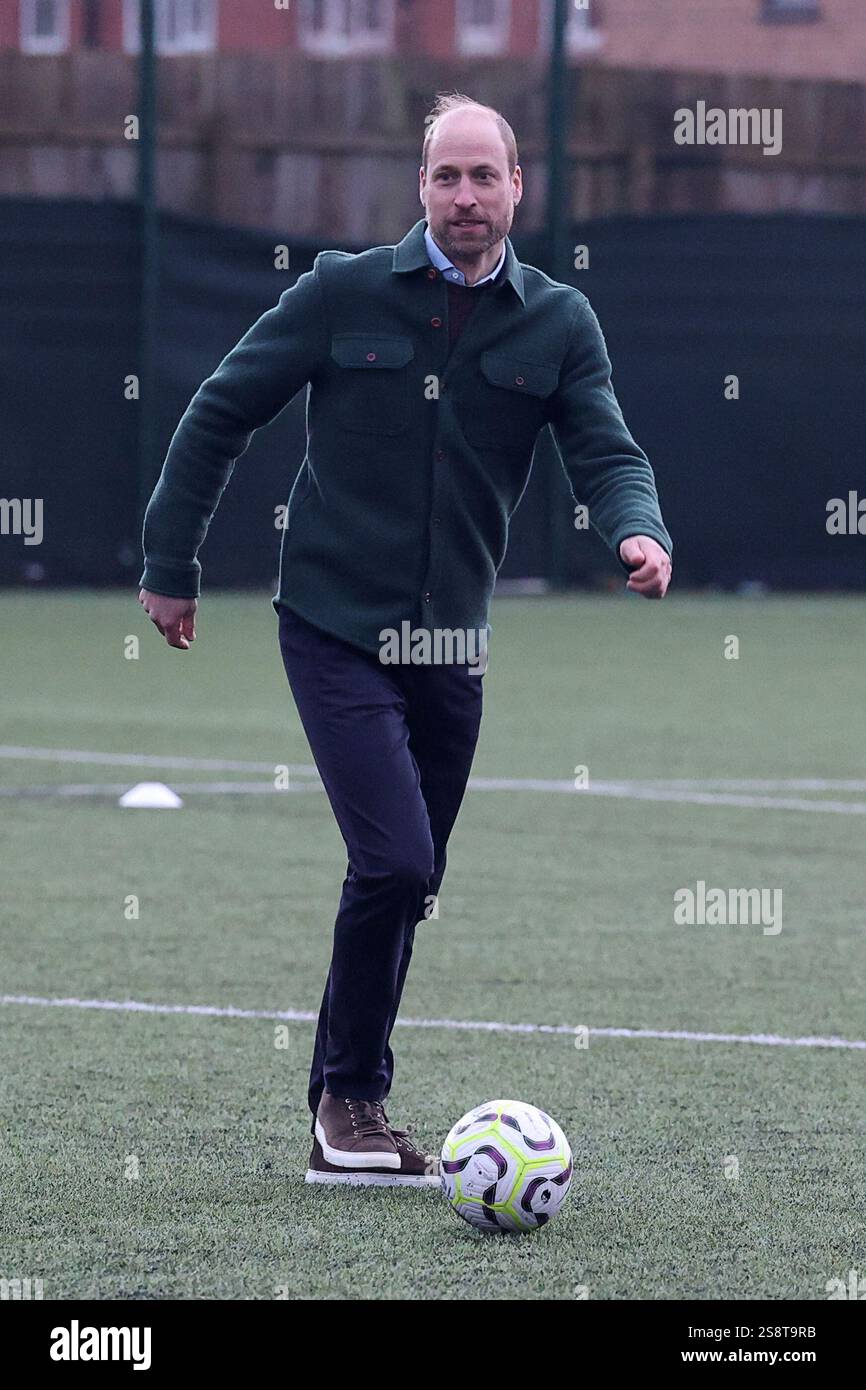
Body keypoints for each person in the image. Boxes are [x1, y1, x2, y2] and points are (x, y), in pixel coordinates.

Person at [138, 92, 673, 1188]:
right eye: (446, 177)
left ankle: (341, 1103)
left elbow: (604, 447)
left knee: (402, 878)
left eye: (484, 176)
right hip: (332, 625)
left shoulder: (558, 322)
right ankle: (350, 1105)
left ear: (518, 187)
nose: (465, 196)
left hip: (451, 649)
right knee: (393, 858)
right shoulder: (339, 292)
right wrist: (170, 566)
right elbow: (219, 410)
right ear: (419, 188)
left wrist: (636, 527)